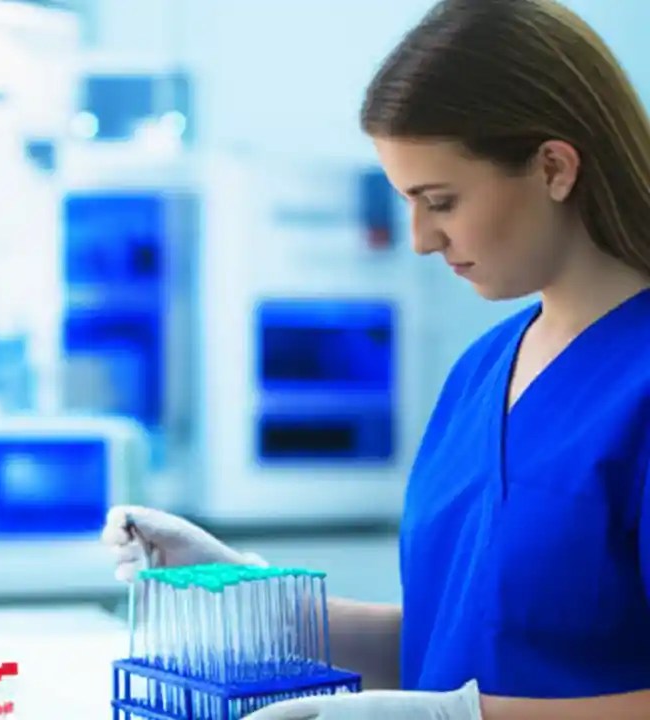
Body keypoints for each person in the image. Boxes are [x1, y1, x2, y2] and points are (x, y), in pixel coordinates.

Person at [103, 0, 650, 717]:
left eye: (441, 201)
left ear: (553, 167)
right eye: (407, 204)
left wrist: (460, 718)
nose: (420, 239)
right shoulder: (485, 369)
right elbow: (454, 642)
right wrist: (260, 604)